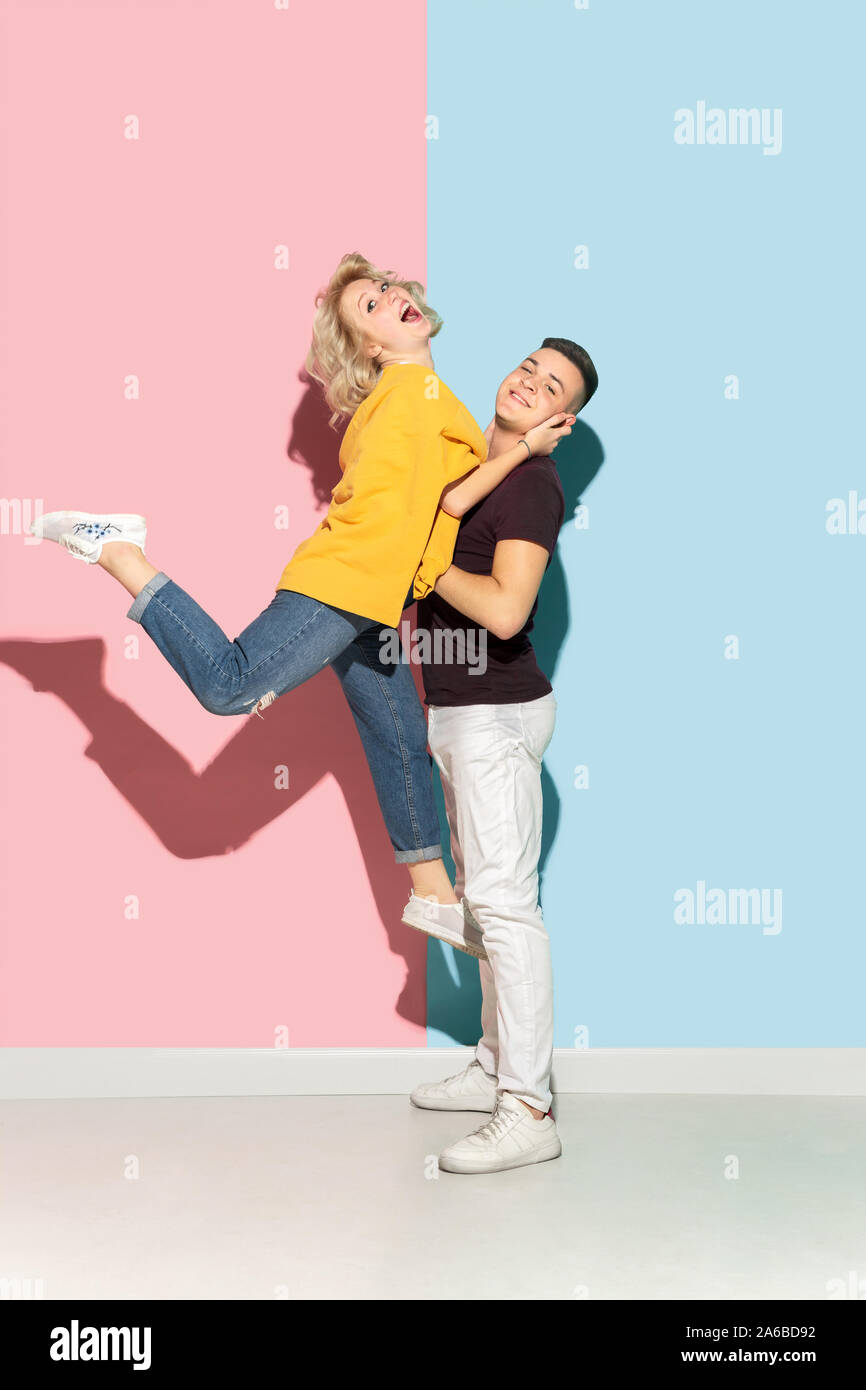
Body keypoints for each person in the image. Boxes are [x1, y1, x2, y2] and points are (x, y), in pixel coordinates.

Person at [27, 253, 571, 910]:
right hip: (345, 586)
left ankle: (432, 892)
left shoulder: (414, 402)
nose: (390, 295)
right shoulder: (415, 396)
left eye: (388, 287)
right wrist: (523, 451)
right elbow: (448, 506)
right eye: (370, 306)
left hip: (373, 598)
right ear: (371, 346)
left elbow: (436, 501)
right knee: (231, 686)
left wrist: (503, 458)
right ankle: (121, 556)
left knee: (397, 733)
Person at [407, 338, 599, 1175]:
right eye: (528, 364)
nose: (528, 380)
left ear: (563, 419)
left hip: (495, 715)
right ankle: (495, 1067)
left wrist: (431, 565)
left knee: (505, 906)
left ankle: (529, 1109)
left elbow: (509, 610)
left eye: (551, 386)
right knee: (487, 905)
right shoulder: (481, 463)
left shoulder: (530, 487)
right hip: (460, 712)